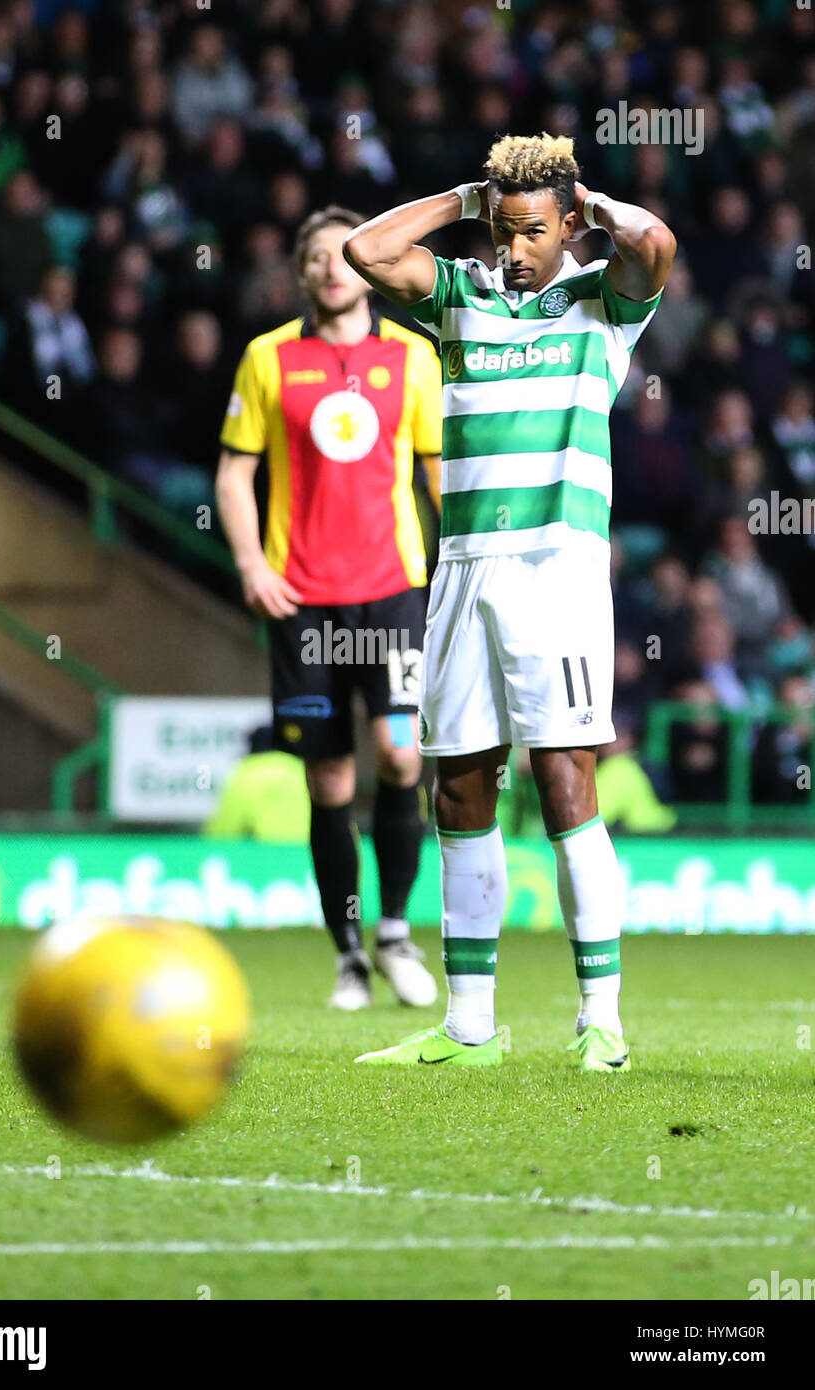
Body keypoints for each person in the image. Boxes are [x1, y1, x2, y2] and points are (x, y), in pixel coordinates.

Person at [343, 132, 676, 1070]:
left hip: (553, 573)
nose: (514, 251)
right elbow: (365, 253)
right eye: (504, 234)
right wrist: (465, 197)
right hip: (463, 570)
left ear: (569, 227)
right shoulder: (462, 297)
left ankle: (600, 1018)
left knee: (566, 780)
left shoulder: (600, 304)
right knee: (456, 785)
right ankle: (469, 1029)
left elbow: (657, 246)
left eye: (532, 233)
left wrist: (590, 203)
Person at [216, 205, 443, 1011]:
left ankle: (394, 934)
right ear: (303, 272)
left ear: (367, 267)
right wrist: (250, 561)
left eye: (343, 255)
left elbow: (436, 470)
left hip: (392, 591)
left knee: (402, 756)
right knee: (330, 776)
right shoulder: (267, 358)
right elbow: (234, 473)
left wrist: (454, 567)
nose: (330, 268)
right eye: (315, 257)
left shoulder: (414, 358)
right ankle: (348, 957)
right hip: (303, 599)